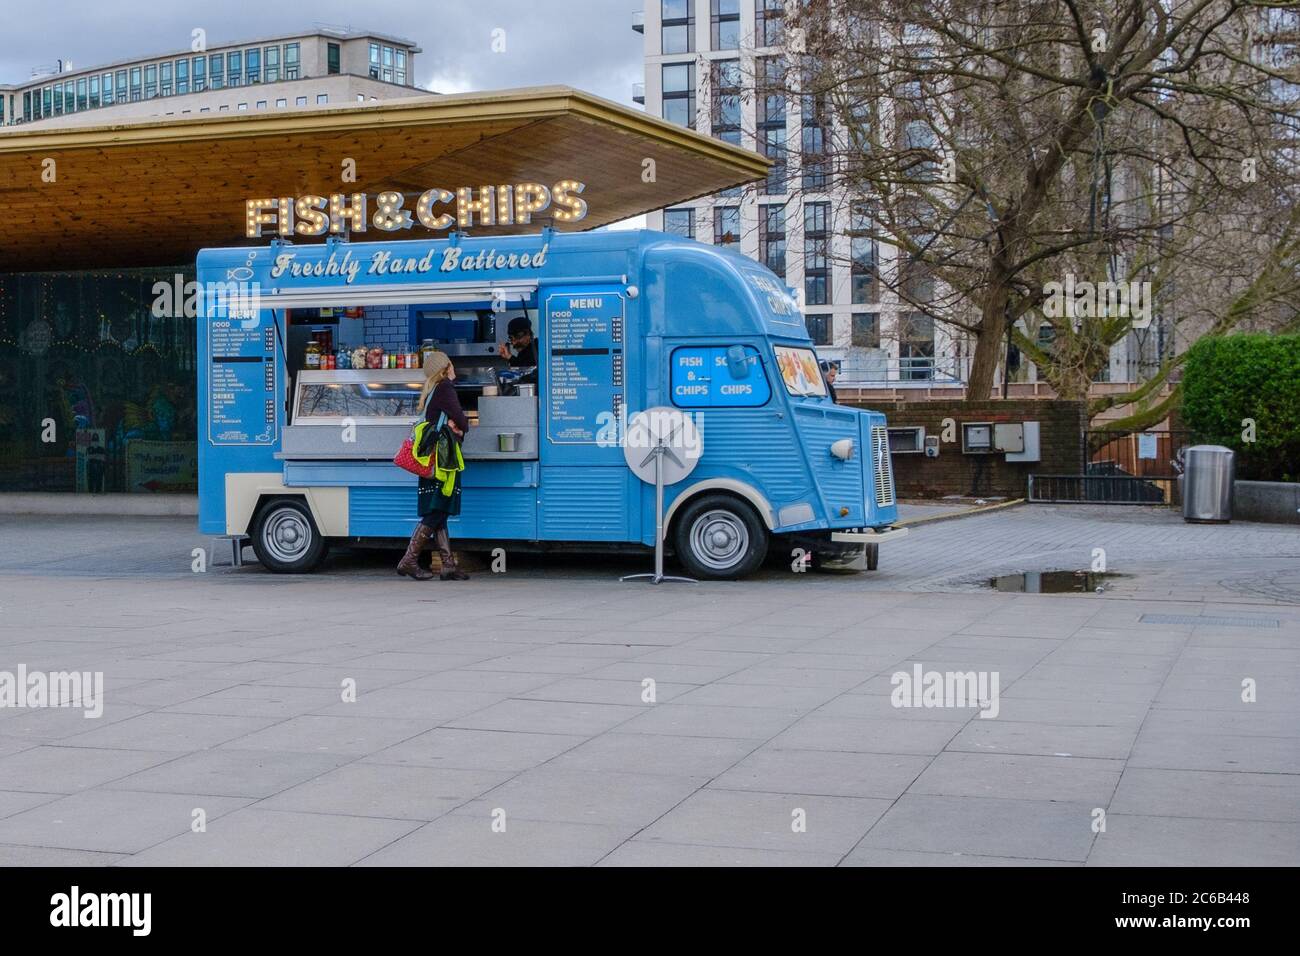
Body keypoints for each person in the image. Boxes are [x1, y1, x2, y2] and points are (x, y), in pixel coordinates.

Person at [397, 351, 471, 581]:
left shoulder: (432, 391)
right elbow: (462, 421)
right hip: (442, 460)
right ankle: (408, 561)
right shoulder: (445, 388)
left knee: (440, 513)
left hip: (432, 459)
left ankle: (448, 565)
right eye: (451, 364)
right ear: (445, 367)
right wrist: (461, 424)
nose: (454, 368)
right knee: (436, 511)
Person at [497, 315, 538, 384]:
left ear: (528, 334)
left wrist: (510, 357)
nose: (513, 343)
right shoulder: (523, 352)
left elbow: (527, 370)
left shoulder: (536, 348)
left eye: (517, 338)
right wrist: (509, 357)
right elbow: (519, 371)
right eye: (511, 339)